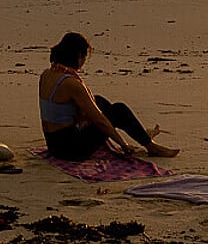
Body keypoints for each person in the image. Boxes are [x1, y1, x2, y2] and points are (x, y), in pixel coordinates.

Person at [39, 32, 179, 160]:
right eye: (84, 57)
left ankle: (141, 135)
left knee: (98, 101)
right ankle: (151, 146)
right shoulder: (71, 83)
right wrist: (123, 145)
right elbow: (100, 120)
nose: (84, 62)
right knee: (118, 110)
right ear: (78, 56)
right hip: (70, 150)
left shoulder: (47, 74)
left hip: (53, 144)